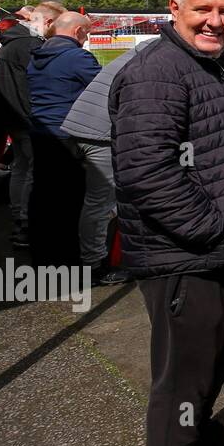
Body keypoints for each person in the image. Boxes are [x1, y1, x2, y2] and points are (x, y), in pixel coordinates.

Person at [110, 0, 224, 446]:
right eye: (203, 10)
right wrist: (214, 230)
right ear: (174, 10)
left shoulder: (215, 64)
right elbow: (146, 172)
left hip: (222, 252)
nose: (215, 22)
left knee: (218, 348)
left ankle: (194, 437)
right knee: (182, 378)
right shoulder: (158, 72)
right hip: (187, 256)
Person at [61, 38, 159, 286]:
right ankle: (93, 267)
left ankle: (95, 256)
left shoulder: (147, 48)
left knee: (101, 200)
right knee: (101, 203)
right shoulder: (160, 54)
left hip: (84, 126)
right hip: (99, 132)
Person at [26, 12, 101, 267]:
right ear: (79, 31)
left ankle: (42, 255)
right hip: (66, 136)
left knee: (43, 194)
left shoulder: (38, 55)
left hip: (40, 131)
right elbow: (105, 89)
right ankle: (66, 257)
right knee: (69, 199)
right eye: (87, 32)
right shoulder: (77, 57)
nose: (87, 37)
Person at [0, 2, 64, 250]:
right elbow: (37, 84)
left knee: (22, 168)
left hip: (11, 117)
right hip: (25, 117)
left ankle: (21, 220)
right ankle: (26, 224)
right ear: (50, 22)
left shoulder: (13, 41)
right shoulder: (29, 45)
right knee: (32, 170)